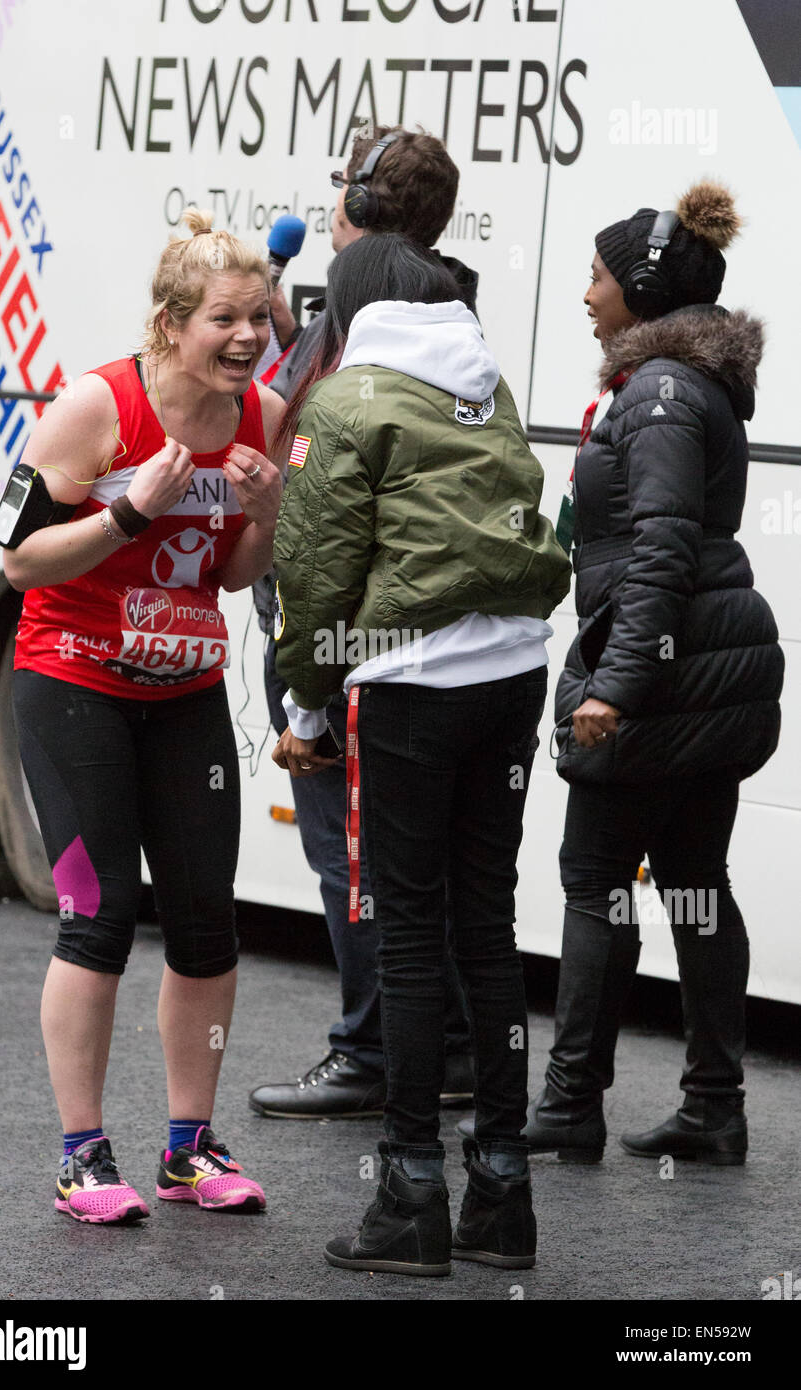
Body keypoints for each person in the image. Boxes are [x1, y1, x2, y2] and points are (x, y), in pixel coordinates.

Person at [271, 233, 571, 1275]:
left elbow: (311, 579)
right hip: (512, 673)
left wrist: (305, 713)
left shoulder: (345, 402)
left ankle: (408, 1194)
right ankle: (499, 1191)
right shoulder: (482, 388)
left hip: (406, 687)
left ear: (349, 307)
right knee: (485, 927)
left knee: (403, 932)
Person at [3, 208, 286, 1222]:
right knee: (99, 908)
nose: (249, 338)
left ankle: (187, 1146)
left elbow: (240, 573)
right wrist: (126, 510)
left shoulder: (259, 415)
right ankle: (82, 1154)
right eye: (225, 320)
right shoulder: (97, 407)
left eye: (259, 317)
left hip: (184, 695)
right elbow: (17, 561)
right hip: (71, 684)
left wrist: (259, 515)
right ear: (170, 324)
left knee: (208, 914)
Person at [522, 180, 784, 1166]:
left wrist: (613, 686)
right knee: (690, 880)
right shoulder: (675, 383)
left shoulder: (662, 392)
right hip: (704, 676)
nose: (584, 293)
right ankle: (712, 1106)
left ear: (637, 285)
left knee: (593, 876)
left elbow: (661, 552)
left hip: (666, 680)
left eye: (595, 275)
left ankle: (568, 1103)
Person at [250, 125, 478, 1120]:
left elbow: (328, 490)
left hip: (342, 639)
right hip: (383, 636)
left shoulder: (373, 307)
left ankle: (368, 1051)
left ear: (368, 208)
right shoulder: (432, 303)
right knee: (397, 862)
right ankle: (448, 1048)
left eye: (345, 185)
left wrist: (305, 690)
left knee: (352, 862)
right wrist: (269, 338)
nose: (334, 200)